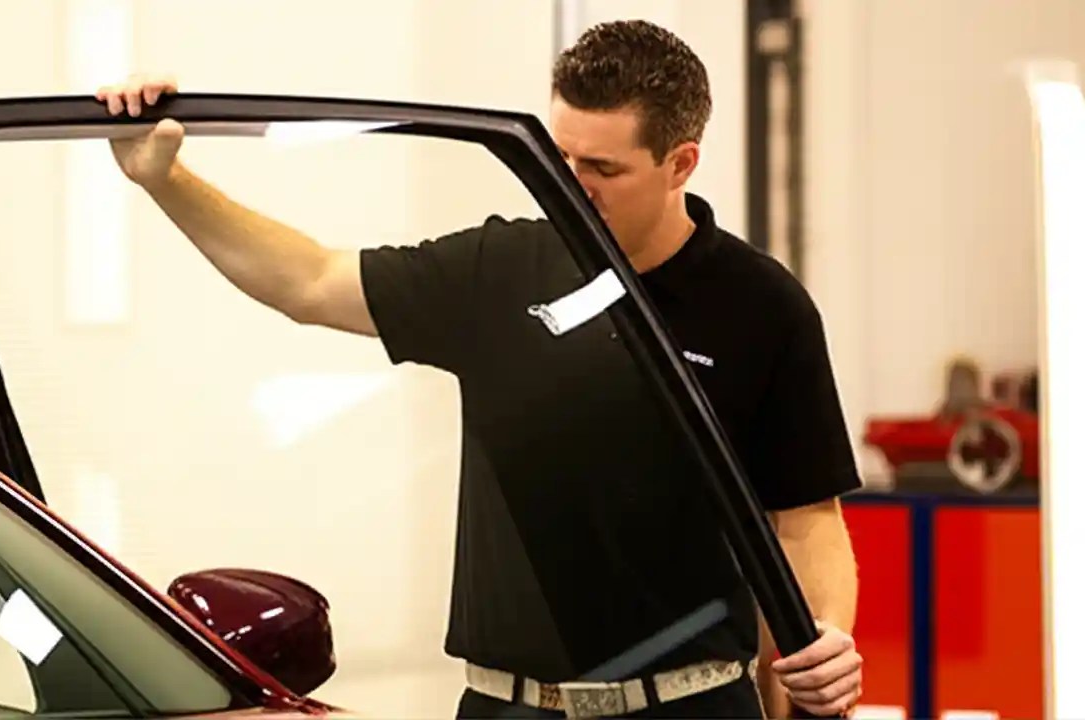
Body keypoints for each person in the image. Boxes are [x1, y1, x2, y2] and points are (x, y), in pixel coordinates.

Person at [97, 19, 863, 719]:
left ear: (680, 164)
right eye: (556, 155)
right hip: (507, 708)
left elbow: (805, 521)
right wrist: (164, 180)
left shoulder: (762, 307)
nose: (568, 182)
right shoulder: (502, 269)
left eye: (600, 167)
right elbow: (307, 281)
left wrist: (820, 638)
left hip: (687, 705)